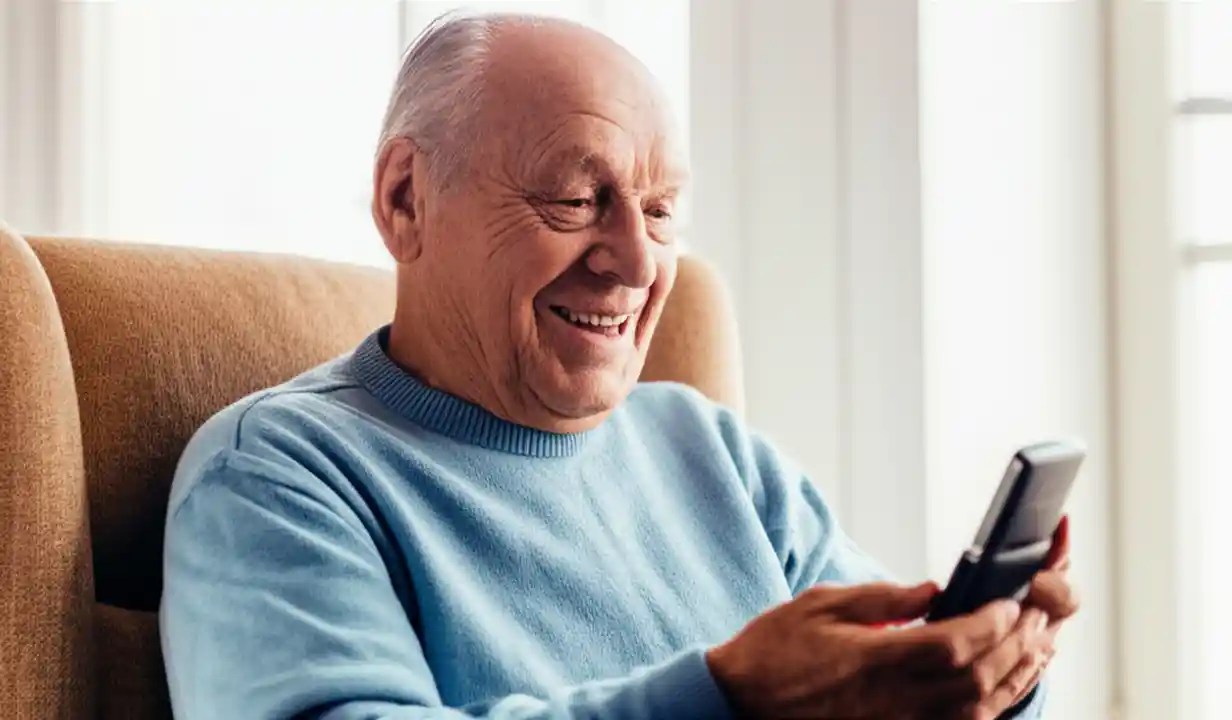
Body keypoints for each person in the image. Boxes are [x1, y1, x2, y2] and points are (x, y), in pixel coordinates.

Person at [160, 12, 1077, 720]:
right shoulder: (276, 471)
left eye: (662, 209)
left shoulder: (713, 451)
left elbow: (885, 681)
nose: (636, 263)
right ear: (406, 201)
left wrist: (987, 671)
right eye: (575, 199)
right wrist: (728, 698)